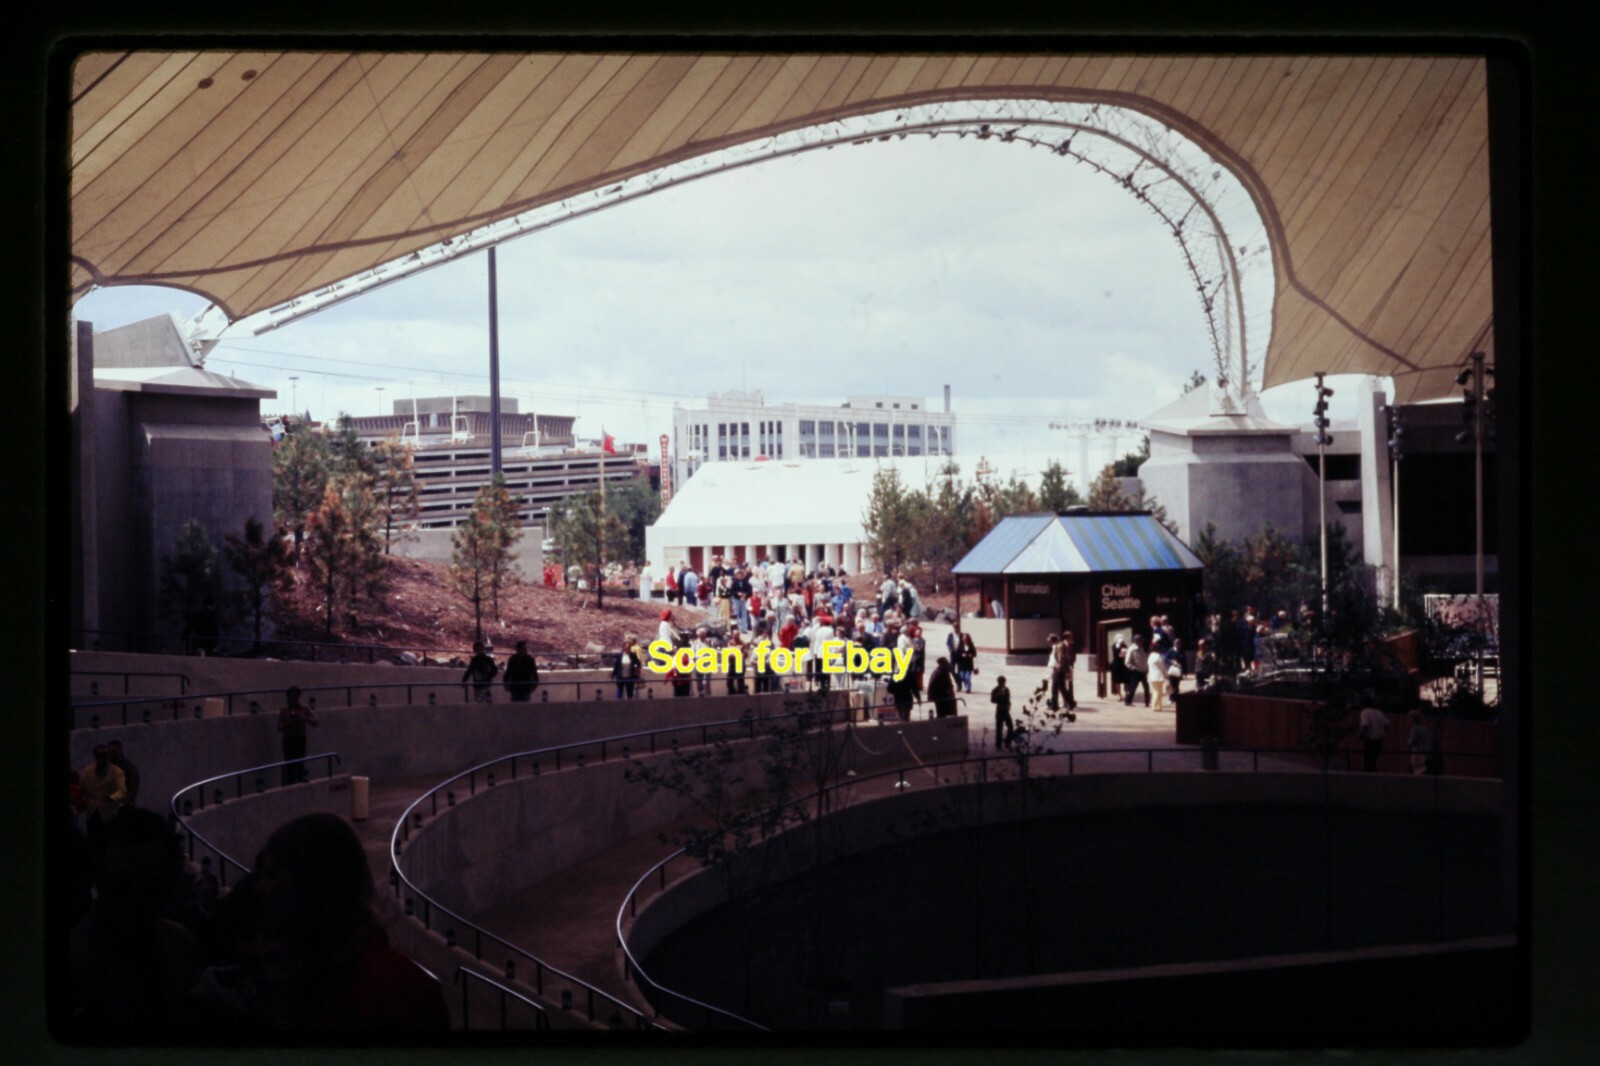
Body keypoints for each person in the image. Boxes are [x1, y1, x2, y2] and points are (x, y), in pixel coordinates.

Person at [77, 744, 127, 853]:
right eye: (99, 756)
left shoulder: (116, 772)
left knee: (109, 844)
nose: (102, 759)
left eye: (104, 755)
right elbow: (81, 789)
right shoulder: (88, 772)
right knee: (94, 844)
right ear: (95, 756)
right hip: (92, 813)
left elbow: (122, 790)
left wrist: (112, 797)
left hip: (109, 815)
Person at [278, 687, 318, 785]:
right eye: (291, 696)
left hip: (300, 738)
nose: (293, 699)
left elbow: (315, 722)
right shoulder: (284, 711)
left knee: (300, 762)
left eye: (295, 696)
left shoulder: (304, 709)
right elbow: (279, 727)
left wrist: (304, 718)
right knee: (289, 764)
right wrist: (289, 723)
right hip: (288, 739)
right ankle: (289, 784)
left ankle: (300, 782)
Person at [1357, 697, 1389, 772]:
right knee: (1373, 761)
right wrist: (1381, 731)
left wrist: (1360, 734)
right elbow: (1387, 724)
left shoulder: (1365, 712)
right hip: (1379, 740)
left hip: (1369, 740)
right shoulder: (1379, 712)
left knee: (1367, 762)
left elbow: (1365, 725)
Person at [106, 739, 141, 807]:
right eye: (110, 752)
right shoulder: (105, 767)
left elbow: (133, 788)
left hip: (124, 805)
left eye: (115, 752)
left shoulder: (129, 768)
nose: (113, 755)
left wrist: (124, 801)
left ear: (120, 751)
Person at [1407, 709, 1439, 776]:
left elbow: (1414, 740)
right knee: (1422, 769)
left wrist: (1409, 741)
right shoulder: (1424, 728)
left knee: (1417, 769)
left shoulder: (1415, 728)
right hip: (1424, 751)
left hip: (1417, 751)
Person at [1123, 635, 1151, 707]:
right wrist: (1134, 669)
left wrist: (1146, 668)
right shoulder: (1132, 649)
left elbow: (1143, 659)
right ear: (1137, 641)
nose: (1142, 642)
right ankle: (1128, 701)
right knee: (1133, 687)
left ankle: (1147, 702)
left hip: (1143, 671)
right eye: (1141, 641)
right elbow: (1127, 662)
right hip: (1136, 671)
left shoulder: (1141, 648)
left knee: (1146, 687)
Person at [990, 676, 1015, 750]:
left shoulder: (1006, 689)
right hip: (999, 709)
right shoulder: (995, 690)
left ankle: (1008, 742)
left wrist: (1009, 705)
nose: (1003, 683)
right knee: (999, 728)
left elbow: (1008, 698)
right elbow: (992, 700)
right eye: (1002, 682)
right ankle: (998, 745)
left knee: (1010, 726)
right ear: (998, 682)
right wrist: (999, 694)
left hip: (1005, 710)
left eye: (1004, 682)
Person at [1148, 636, 1169, 711]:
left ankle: (1158, 706)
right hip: (1158, 676)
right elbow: (1162, 667)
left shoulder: (1150, 657)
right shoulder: (1158, 657)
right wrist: (1166, 674)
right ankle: (1155, 706)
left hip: (1152, 676)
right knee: (1158, 692)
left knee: (1155, 691)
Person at [953, 629, 977, 693]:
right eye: (963, 637)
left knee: (967, 677)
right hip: (961, 664)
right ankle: (965, 685)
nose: (964, 639)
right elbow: (957, 654)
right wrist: (961, 655)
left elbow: (974, 654)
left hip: (968, 664)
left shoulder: (971, 646)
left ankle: (968, 688)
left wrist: (971, 655)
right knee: (962, 677)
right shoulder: (960, 646)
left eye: (966, 637)